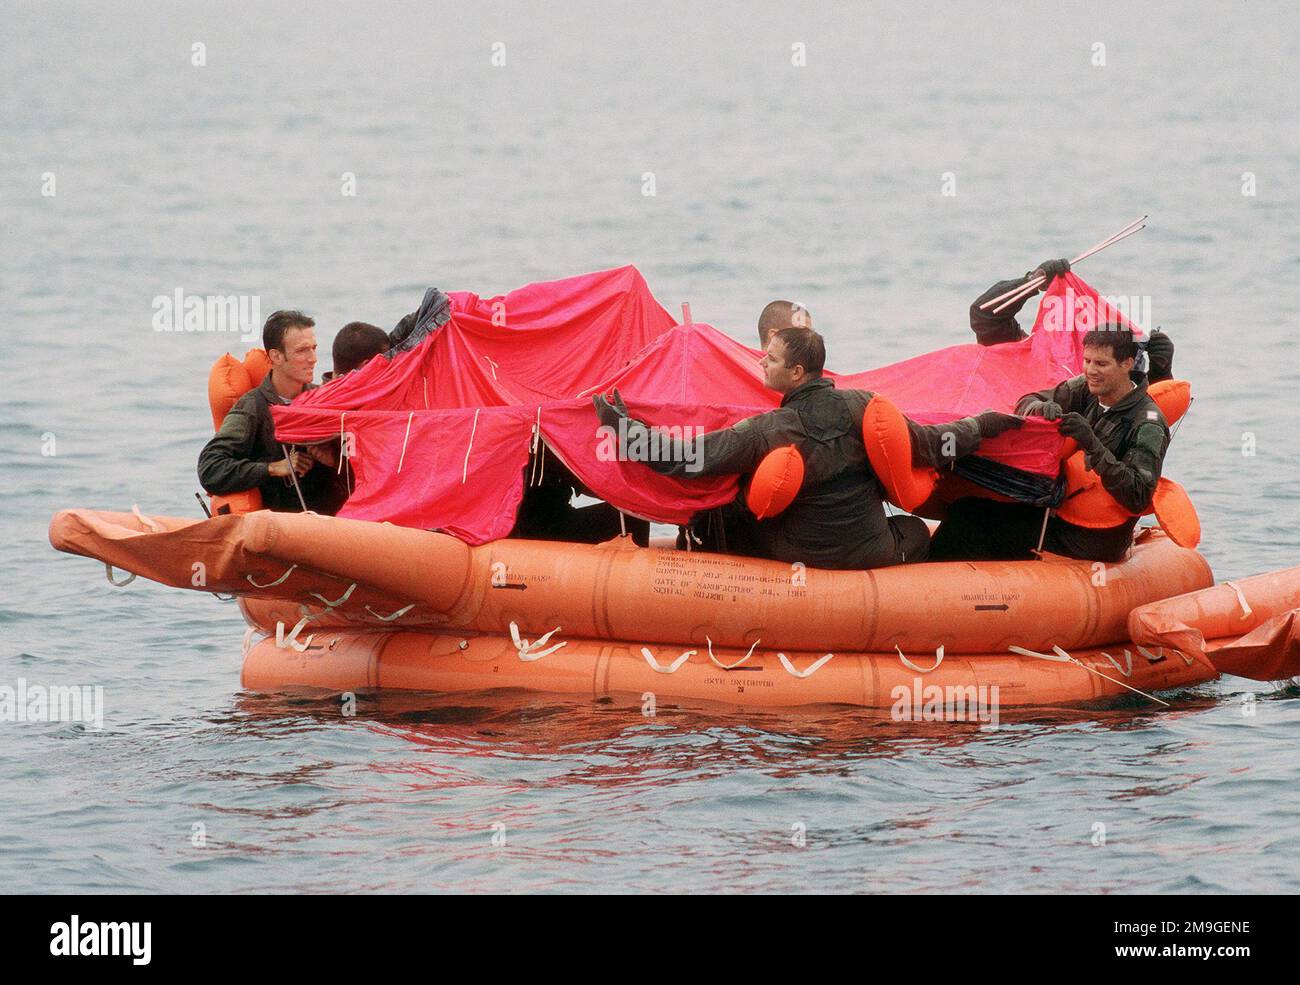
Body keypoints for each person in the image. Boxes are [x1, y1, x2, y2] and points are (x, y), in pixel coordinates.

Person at [592, 326, 1023, 570]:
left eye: (772, 358)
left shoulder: (768, 429)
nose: (761, 361)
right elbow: (933, 445)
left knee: (725, 515)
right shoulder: (865, 407)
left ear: (797, 371)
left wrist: (626, 430)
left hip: (796, 554)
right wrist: (982, 424)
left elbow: (688, 460)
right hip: (872, 551)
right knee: (914, 530)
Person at [929, 325, 1169, 563]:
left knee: (970, 525)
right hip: (1056, 511)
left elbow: (1138, 496)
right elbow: (1028, 400)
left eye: (1101, 364)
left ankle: (937, 588)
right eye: (1087, 361)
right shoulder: (1087, 388)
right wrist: (1039, 409)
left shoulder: (1148, 423)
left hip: (1093, 538)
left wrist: (1091, 443)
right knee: (966, 509)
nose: (1090, 370)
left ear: (1127, 364)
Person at [198, 310, 348, 513]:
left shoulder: (324, 399)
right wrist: (273, 468)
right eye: (302, 351)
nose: (312, 359)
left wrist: (334, 459)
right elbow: (210, 468)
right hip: (284, 526)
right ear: (276, 356)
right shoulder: (253, 407)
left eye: (313, 349)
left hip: (339, 522)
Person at [968, 257, 1176, 383]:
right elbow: (984, 315)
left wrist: (1160, 371)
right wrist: (1031, 282)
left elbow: (1146, 414)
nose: (1074, 329)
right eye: (1068, 320)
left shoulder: (1119, 364)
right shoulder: (1027, 353)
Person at [322, 321, 391, 381]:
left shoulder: (316, 393)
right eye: (385, 362)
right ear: (367, 366)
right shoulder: (371, 395)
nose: (389, 367)